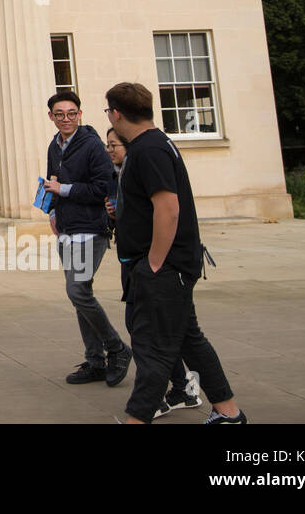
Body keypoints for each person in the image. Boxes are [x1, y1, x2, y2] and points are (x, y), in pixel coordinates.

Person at [105, 82, 246, 424]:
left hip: (165, 269)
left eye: (108, 111)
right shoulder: (154, 143)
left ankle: (137, 420)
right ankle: (228, 414)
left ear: (116, 113)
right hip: (170, 266)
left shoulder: (149, 149)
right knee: (188, 341)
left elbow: (168, 208)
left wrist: (154, 263)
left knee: (153, 347)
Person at [106, 126, 202, 418]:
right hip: (137, 263)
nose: (110, 150)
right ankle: (190, 392)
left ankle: (156, 399)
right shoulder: (121, 173)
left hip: (154, 265)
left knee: (149, 333)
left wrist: (154, 264)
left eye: (114, 145)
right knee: (178, 334)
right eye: (107, 145)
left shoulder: (148, 156)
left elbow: (165, 212)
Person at [44, 91, 131, 387]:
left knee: (78, 292)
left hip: (89, 231)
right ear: (51, 117)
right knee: (80, 297)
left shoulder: (93, 146)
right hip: (66, 232)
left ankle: (117, 348)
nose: (66, 119)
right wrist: (53, 211)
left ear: (80, 115)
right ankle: (95, 361)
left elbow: (101, 189)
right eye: (59, 114)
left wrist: (63, 190)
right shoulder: (54, 146)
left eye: (71, 113)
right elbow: (50, 184)